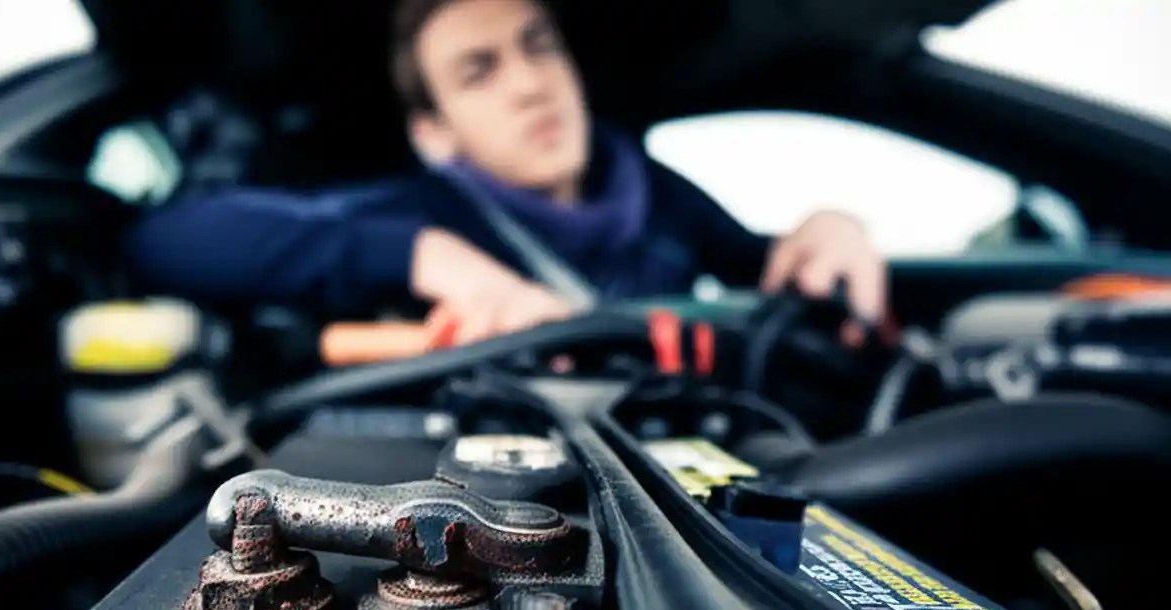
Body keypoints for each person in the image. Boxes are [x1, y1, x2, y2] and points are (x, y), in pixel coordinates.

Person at [126, 0, 885, 346]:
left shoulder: (651, 191)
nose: (529, 83)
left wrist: (830, 226)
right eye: (479, 71)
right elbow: (170, 239)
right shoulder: (421, 210)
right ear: (434, 132)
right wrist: (426, 256)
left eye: (539, 44)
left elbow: (766, 266)